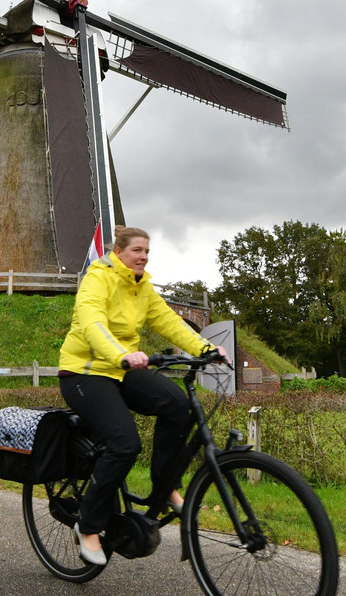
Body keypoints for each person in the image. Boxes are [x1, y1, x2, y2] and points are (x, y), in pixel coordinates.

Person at [58, 226, 227, 565]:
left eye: (147, 252)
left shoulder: (142, 287)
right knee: (124, 443)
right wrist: (121, 353)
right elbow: (93, 325)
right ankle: (87, 526)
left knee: (178, 406)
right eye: (137, 250)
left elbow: (169, 322)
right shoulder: (98, 279)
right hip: (85, 371)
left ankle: (164, 488)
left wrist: (206, 347)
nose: (144, 257)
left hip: (123, 369)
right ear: (119, 252)